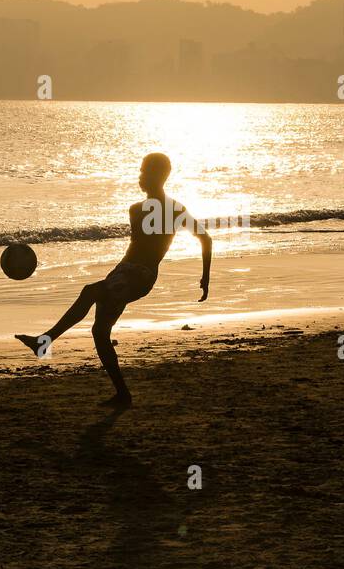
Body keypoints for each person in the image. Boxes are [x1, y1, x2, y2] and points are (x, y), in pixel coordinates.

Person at [16, 152, 211, 408]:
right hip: (124, 273)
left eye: (144, 171)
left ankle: (46, 340)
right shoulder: (158, 209)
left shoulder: (155, 210)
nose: (140, 176)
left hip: (139, 276)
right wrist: (205, 279)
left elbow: (201, 239)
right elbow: (199, 239)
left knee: (89, 291)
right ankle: (123, 395)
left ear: (157, 175)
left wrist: (205, 279)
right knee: (99, 331)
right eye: (141, 171)